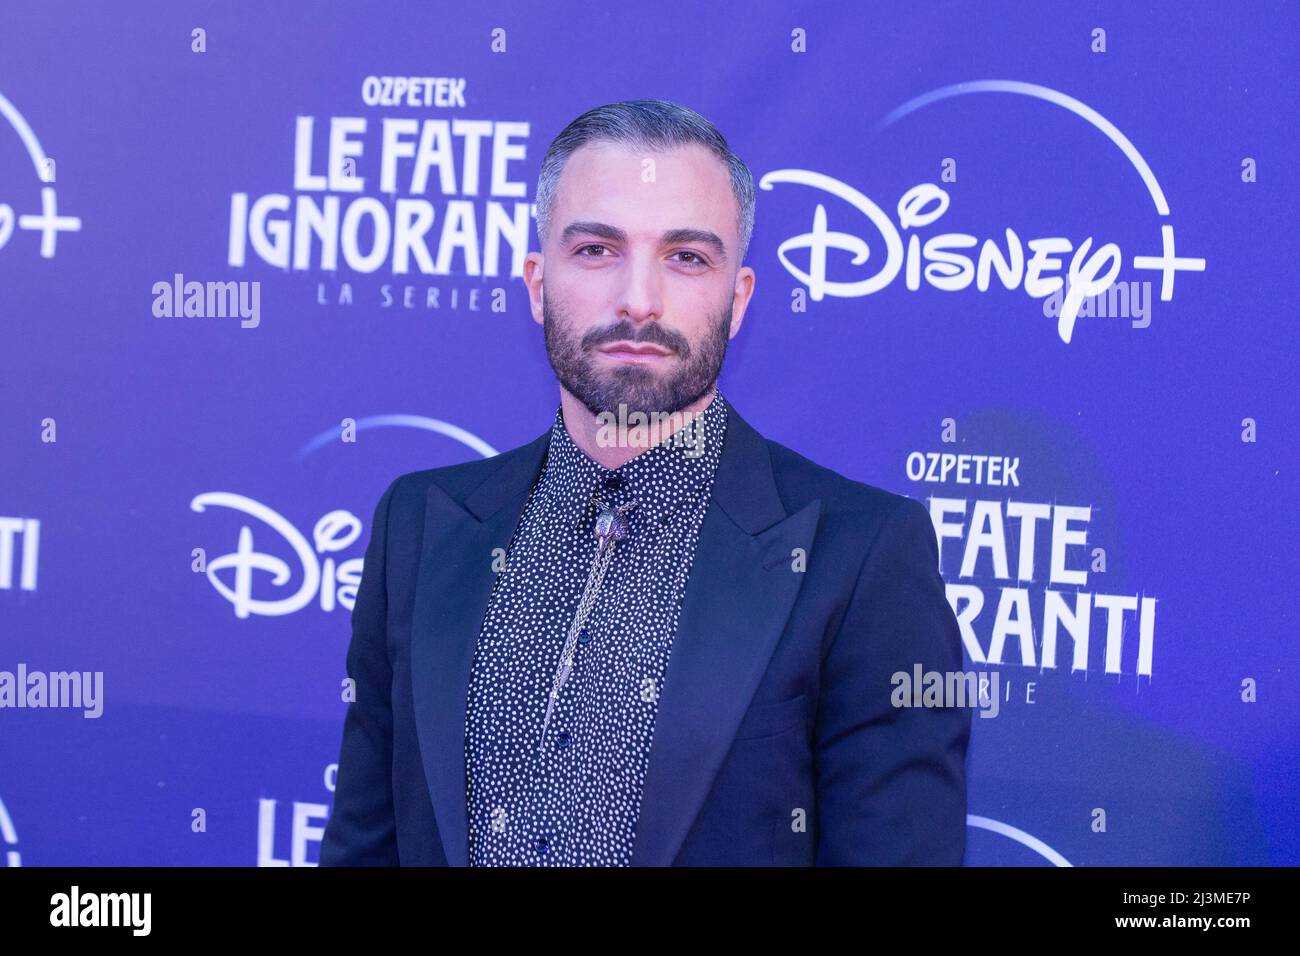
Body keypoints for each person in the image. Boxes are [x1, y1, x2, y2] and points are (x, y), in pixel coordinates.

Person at [319, 99, 970, 867]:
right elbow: (364, 848)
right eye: (596, 249)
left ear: (740, 299)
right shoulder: (418, 527)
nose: (639, 299)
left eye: (686, 257)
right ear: (535, 283)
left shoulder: (860, 558)